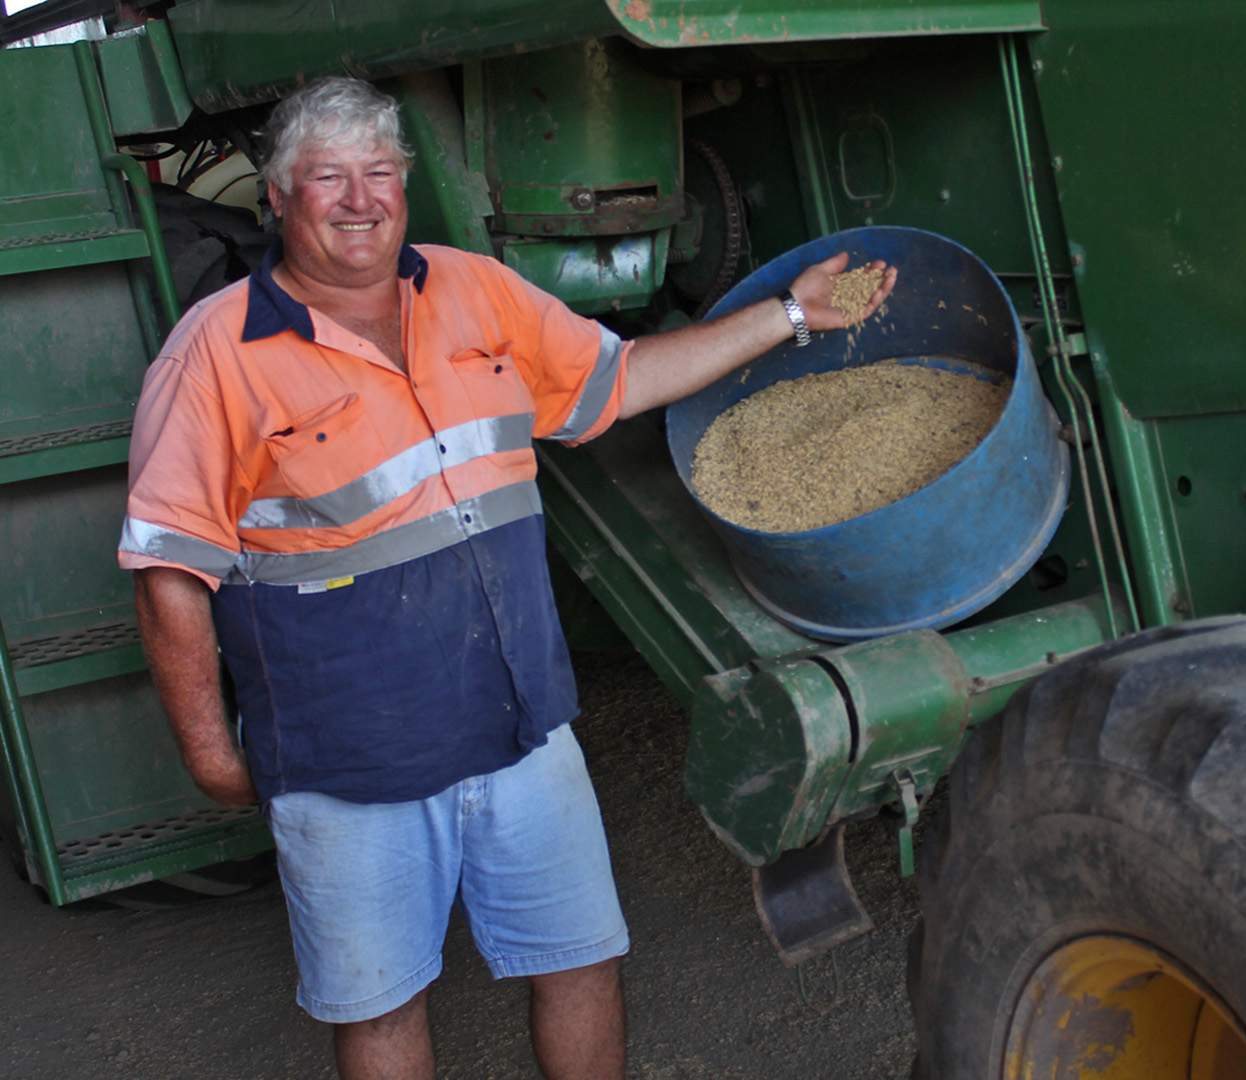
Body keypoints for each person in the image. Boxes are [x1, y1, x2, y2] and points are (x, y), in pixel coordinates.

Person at [118, 76, 895, 1080]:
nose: (359, 200)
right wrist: (211, 752)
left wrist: (789, 313)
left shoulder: (475, 291)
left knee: (580, 962)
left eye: (379, 174)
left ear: (403, 186)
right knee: (384, 1006)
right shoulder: (216, 356)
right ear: (277, 197)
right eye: (327, 179)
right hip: (351, 768)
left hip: (522, 729)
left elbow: (620, 381)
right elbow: (168, 569)